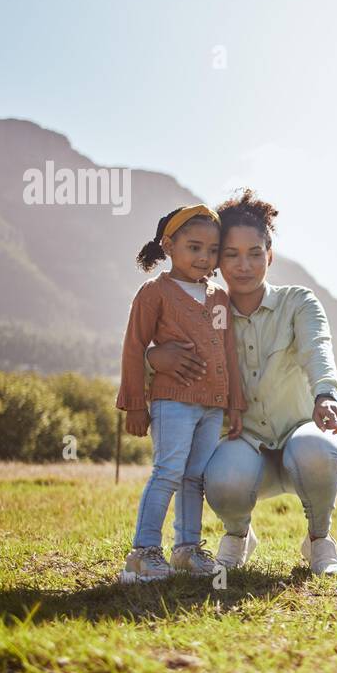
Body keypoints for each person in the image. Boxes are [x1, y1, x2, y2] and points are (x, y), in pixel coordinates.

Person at [144, 190, 337, 575]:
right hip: (246, 443)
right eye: (231, 254)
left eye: (255, 253)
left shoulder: (298, 302)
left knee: (315, 452)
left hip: (305, 433)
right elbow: (153, 345)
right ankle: (238, 535)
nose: (244, 265)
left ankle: (319, 540)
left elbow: (318, 350)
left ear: (270, 255)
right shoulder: (204, 310)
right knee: (222, 477)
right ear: (216, 259)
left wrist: (326, 395)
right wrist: (153, 358)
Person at [117, 203, 246, 583]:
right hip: (172, 401)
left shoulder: (219, 298)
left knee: (195, 477)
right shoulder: (154, 293)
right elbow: (134, 346)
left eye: (211, 250)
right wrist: (135, 405)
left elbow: (227, 349)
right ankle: (143, 552)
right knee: (168, 472)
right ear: (169, 245)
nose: (204, 258)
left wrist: (234, 404)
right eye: (194, 247)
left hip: (210, 407)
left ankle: (187, 550)